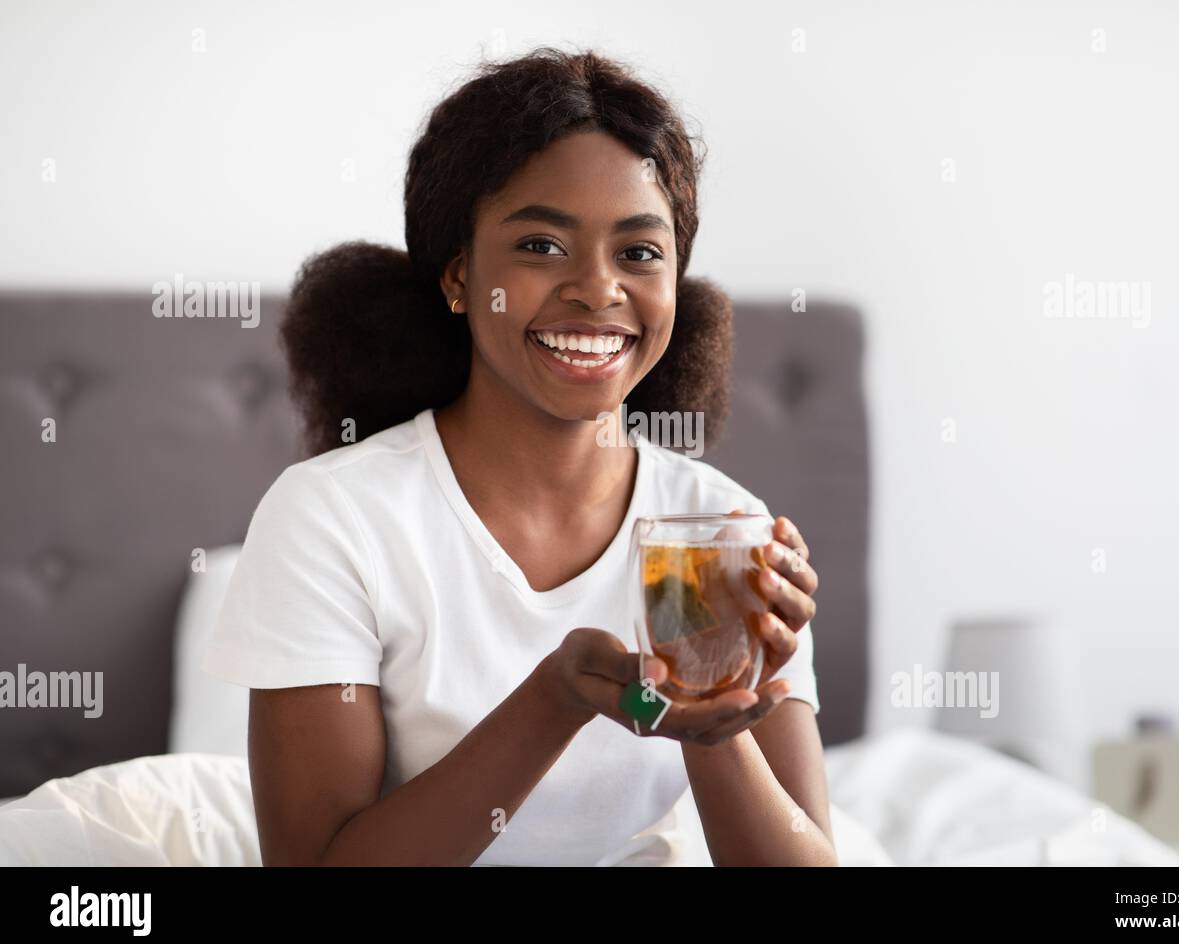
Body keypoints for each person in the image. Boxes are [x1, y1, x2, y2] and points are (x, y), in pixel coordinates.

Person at [202, 45, 835, 866]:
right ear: (459, 275)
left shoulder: (722, 530)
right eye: (542, 245)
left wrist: (712, 707)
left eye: (640, 252)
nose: (598, 290)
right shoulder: (334, 518)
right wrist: (556, 698)